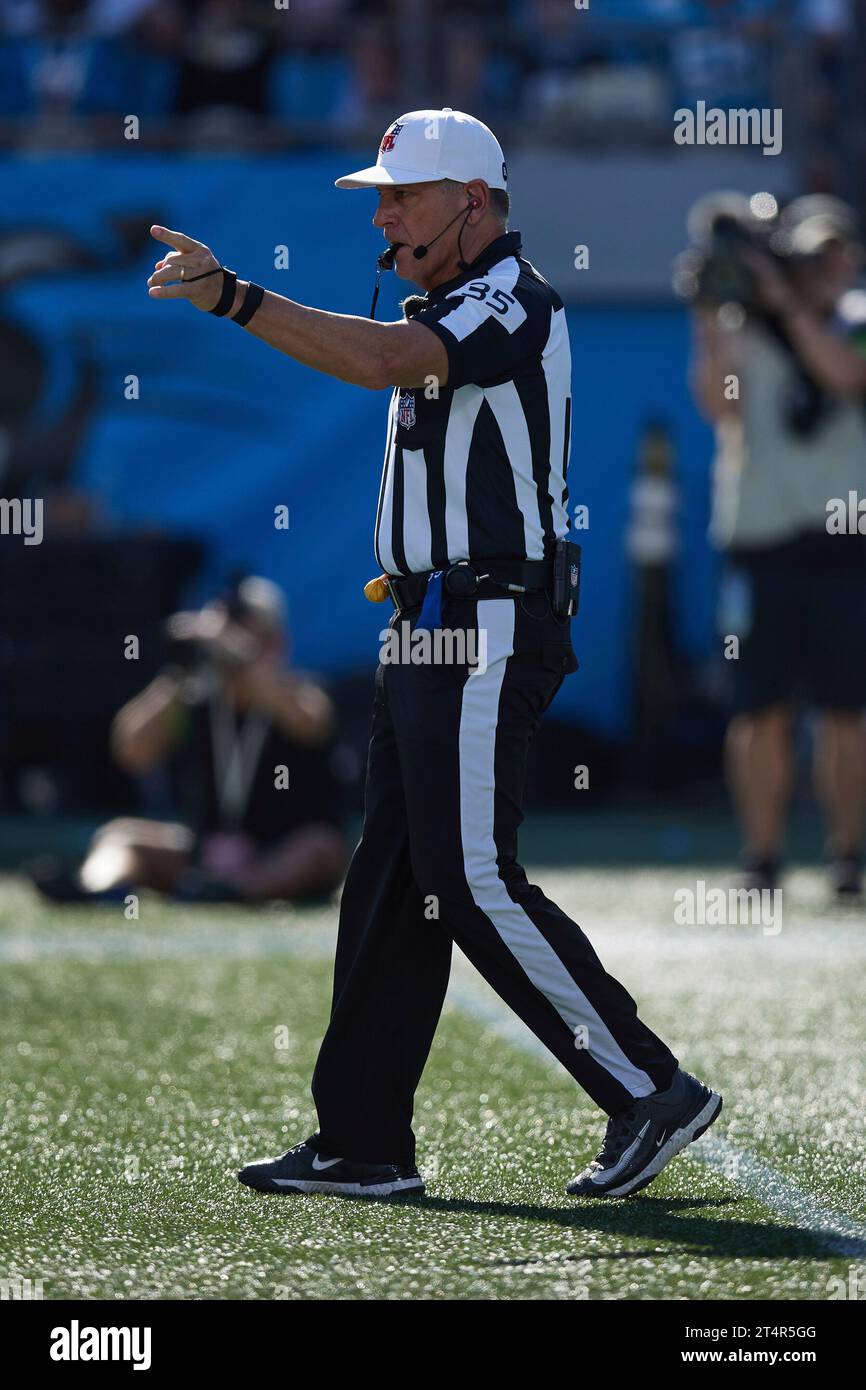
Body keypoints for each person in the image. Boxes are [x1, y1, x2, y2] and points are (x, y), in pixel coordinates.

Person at [146, 108, 721, 1200]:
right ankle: (361, 1139)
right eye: (381, 193)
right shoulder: (455, 296)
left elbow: (386, 362)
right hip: (428, 621)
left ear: (472, 198)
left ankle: (650, 1087)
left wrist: (235, 297)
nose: (384, 212)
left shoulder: (513, 296)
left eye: (402, 193)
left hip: (486, 618)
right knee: (392, 881)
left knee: (466, 876)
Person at [691, 196, 866, 895]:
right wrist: (709, 316)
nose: (835, 267)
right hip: (761, 541)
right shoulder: (744, 328)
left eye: (841, 253)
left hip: (845, 542)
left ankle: (846, 853)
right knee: (757, 708)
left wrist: (785, 307)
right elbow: (717, 404)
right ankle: (760, 857)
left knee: (846, 709)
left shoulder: (856, 319)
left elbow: (846, 375)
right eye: (817, 255)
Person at [31, 575, 348, 904]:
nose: (224, 644)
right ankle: (99, 889)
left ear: (276, 644)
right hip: (206, 851)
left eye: (243, 631)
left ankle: (236, 892)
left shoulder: (304, 691)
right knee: (122, 835)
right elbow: (131, 751)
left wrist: (243, 657)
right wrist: (180, 672)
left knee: (321, 846)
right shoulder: (197, 701)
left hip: (282, 852)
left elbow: (310, 722)